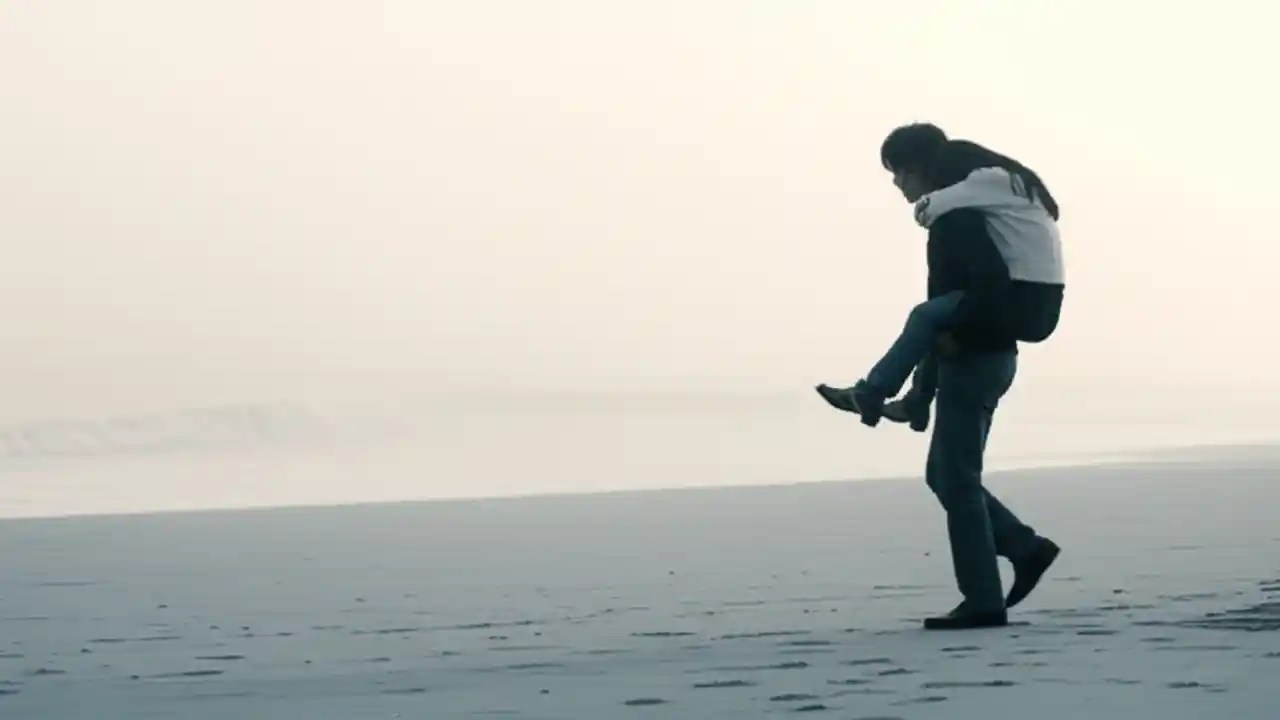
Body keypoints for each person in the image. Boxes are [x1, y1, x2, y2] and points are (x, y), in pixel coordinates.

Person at [824, 123, 1063, 629]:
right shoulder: (979, 212)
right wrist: (926, 387)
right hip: (982, 352)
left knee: (957, 479)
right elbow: (953, 302)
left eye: (899, 172)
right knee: (946, 476)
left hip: (981, 356)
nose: (897, 185)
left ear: (924, 167)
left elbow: (985, 290)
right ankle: (1024, 548)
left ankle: (983, 601)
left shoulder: (960, 219)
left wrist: (958, 339)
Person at [817, 134, 1065, 431]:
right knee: (935, 320)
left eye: (901, 172)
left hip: (1024, 299)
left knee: (926, 315)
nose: (897, 182)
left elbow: (926, 209)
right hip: (1033, 298)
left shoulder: (987, 183)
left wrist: (935, 199)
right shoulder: (1007, 189)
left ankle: (874, 393)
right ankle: (914, 401)